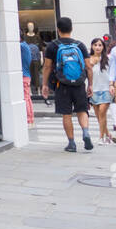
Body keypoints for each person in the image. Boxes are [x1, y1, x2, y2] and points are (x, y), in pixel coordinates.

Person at [41, 17, 92, 152]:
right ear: (71, 29)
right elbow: (88, 66)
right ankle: (86, 132)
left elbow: (47, 66)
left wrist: (44, 84)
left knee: (66, 114)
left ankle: (71, 143)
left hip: (61, 84)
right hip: (79, 84)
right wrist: (90, 84)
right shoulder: (80, 45)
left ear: (58, 30)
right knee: (82, 110)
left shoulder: (53, 46)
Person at [88, 38, 113, 144]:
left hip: (106, 89)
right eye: (95, 45)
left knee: (102, 112)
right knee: (99, 116)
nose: (97, 47)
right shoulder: (88, 59)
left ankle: (101, 137)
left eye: (100, 45)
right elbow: (86, 74)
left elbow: (112, 73)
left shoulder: (108, 58)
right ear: (92, 46)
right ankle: (108, 135)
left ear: (103, 47)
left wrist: (112, 85)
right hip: (94, 89)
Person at [20, 37, 35, 129]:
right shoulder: (26, 46)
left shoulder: (21, 46)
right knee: (27, 98)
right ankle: (30, 118)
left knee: (25, 98)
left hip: (23, 76)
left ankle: (28, 119)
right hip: (26, 75)